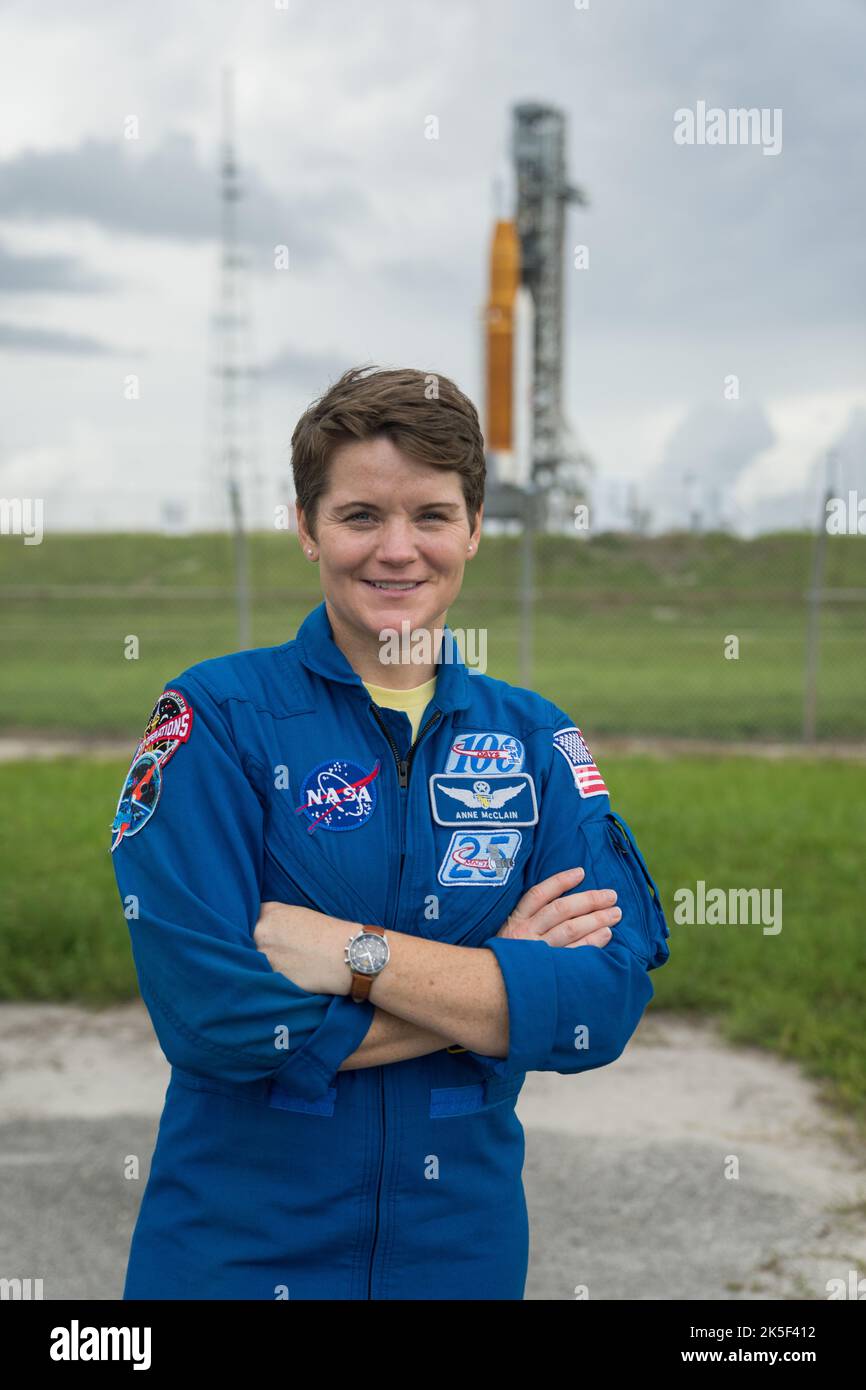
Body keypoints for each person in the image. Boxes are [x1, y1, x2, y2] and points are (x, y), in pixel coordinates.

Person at [110, 364, 670, 1301]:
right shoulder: (216, 717)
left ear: (476, 529)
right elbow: (211, 1016)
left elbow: (601, 1004)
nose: (398, 550)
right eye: (361, 515)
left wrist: (351, 954)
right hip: (234, 1252)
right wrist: (500, 983)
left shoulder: (534, 738)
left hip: (459, 1255)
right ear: (306, 527)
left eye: (433, 516)